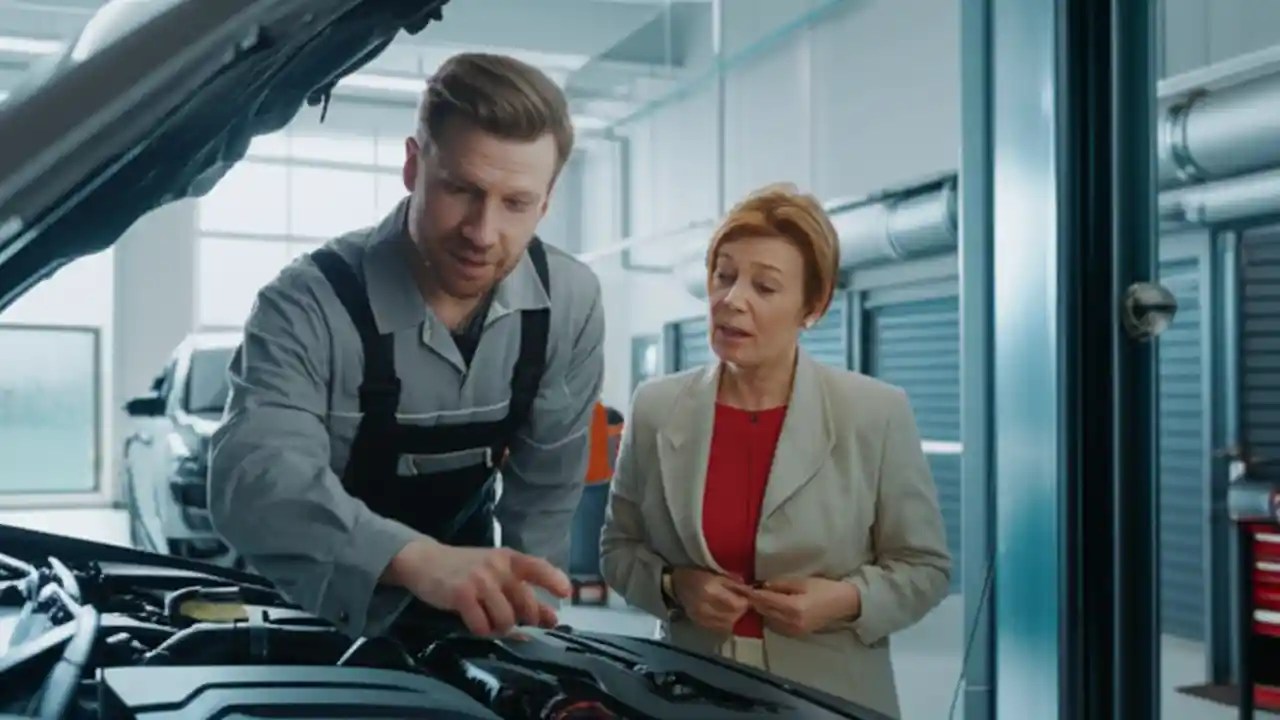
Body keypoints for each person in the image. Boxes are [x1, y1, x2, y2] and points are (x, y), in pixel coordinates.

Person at [208, 52, 605, 642]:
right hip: (307, 611)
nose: (482, 231)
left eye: (516, 204)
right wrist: (415, 559)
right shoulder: (309, 302)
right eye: (461, 189)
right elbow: (255, 477)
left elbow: (546, 490)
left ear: (545, 203)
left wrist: (528, 627)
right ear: (414, 167)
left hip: (467, 611)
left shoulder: (569, 302)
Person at [598, 183, 951, 718]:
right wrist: (675, 586)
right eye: (723, 276)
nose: (732, 299)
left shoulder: (874, 412)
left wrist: (845, 600)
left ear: (812, 306)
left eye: (764, 286)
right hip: (687, 693)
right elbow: (618, 550)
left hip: (829, 698)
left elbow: (924, 569)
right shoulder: (656, 408)